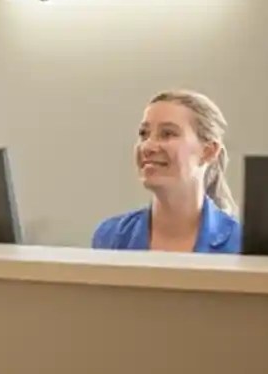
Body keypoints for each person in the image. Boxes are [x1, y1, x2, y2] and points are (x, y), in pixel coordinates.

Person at [91, 89, 241, 253]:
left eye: (168, 133)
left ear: (208, 152)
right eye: (144, 134)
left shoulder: (241, 245)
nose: (147, 146)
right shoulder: (111, 237)